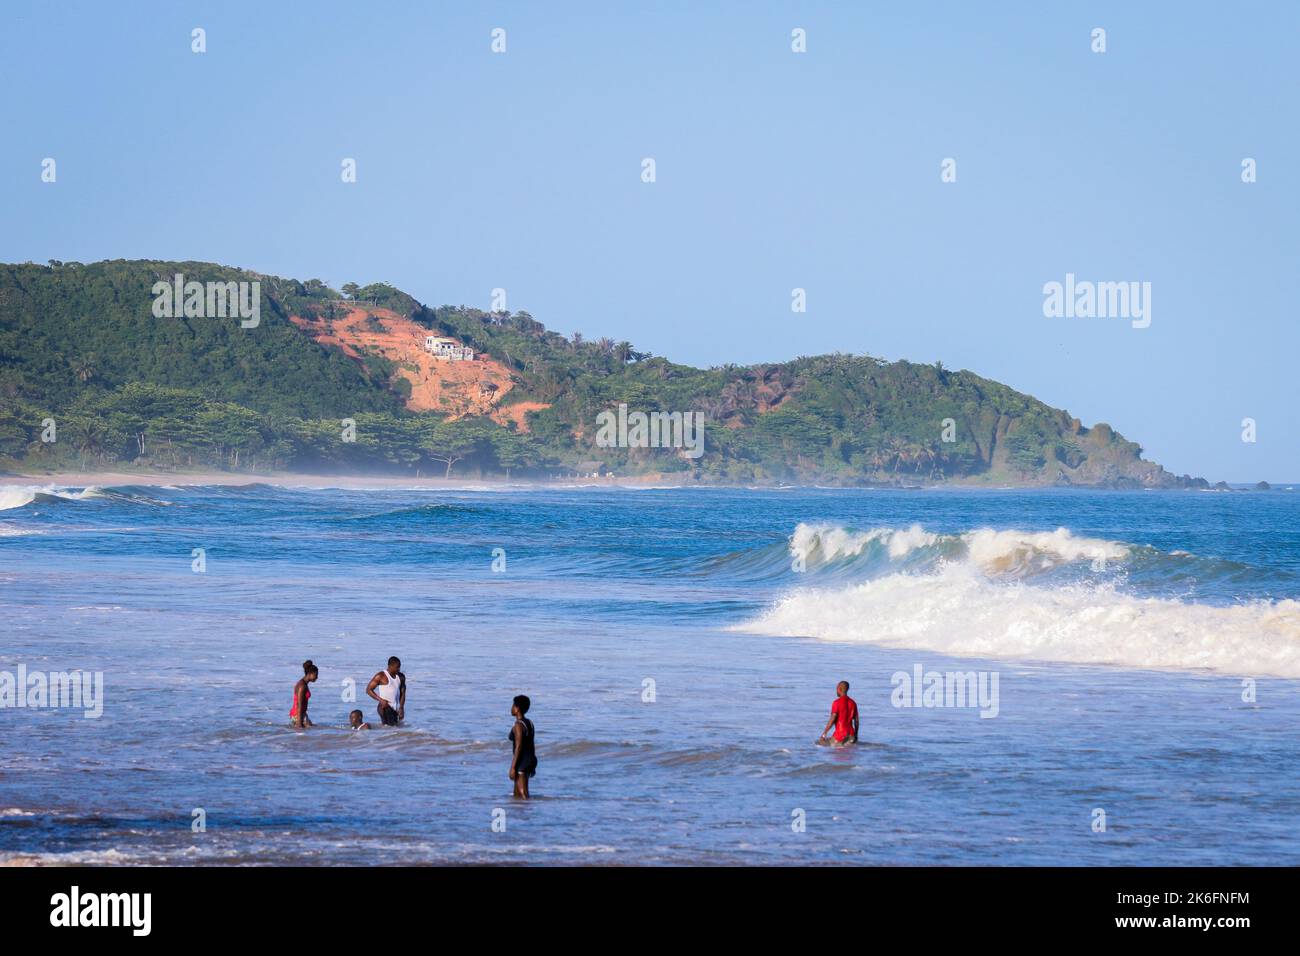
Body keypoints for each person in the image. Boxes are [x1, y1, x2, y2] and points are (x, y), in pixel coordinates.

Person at [508, 694, 538, 799]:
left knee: (523, 793)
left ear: (517, 709)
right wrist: (533, 763)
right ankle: (519, 814)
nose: (511, 708)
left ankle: (530, 813)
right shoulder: (530, 723)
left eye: (513, 705)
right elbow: (532, 743)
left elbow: (519, 747)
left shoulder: (518, 725)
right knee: (516, 794)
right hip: (530, 759)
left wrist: (513, 767)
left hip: (522, 761)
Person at [366, 657, 405, 726]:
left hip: (394, 708)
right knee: (391, 728)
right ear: (390, 666)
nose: (399, 669)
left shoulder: (401, 677)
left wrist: (401, 707)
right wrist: (381, 700)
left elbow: (402, 693)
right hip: (384, 707)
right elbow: (368, 690)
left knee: (392, 729)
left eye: (399, 667)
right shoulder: (381, 676)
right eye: (397, 667)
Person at [818, 680, 858, 746]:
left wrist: (823, 734)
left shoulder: (836, 702)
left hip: (840, 735)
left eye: (836, 689)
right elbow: (856, 721)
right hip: (851, 735)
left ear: (839, 689)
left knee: (819, 743)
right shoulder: (853, 703)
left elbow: (832, 719)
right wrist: (856, 735)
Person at [290, 660, 318, 728]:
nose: (317, 677)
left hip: (302, 714)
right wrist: (299, 723)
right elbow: (299, 705)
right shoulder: (302, 686)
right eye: (315, 675)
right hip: (297, 715)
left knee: (314, 729)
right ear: (309, 674)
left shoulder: (303, 684)